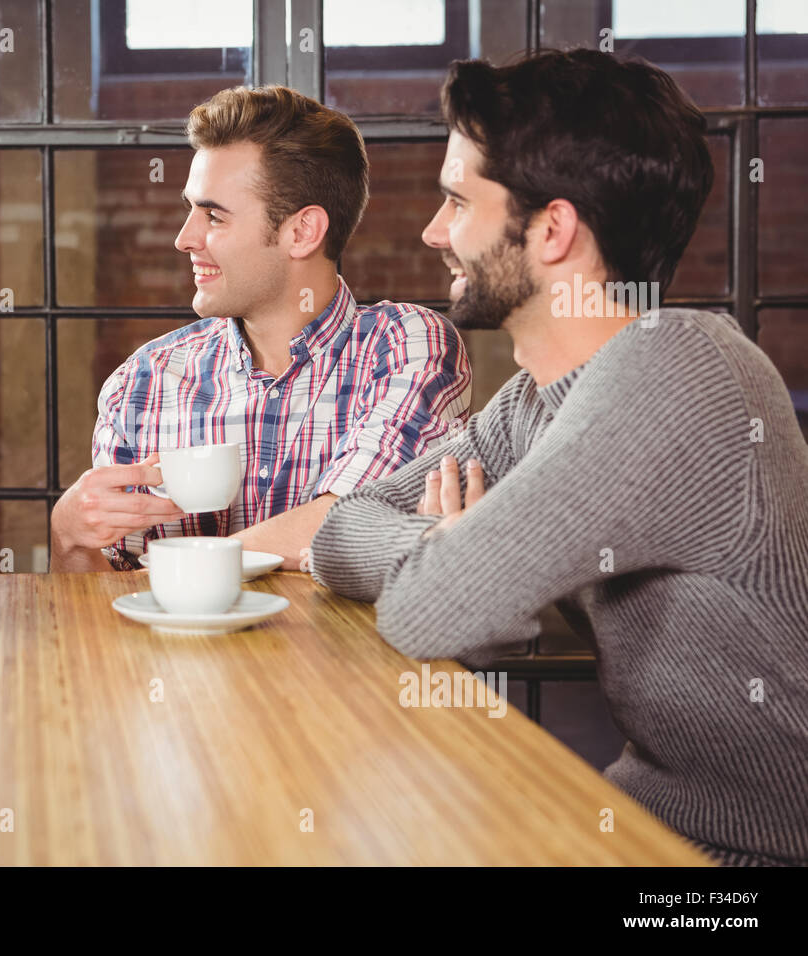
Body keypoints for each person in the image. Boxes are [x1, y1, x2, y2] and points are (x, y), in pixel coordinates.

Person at [308, 49, 808, 866]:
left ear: (553, 229)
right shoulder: (535, 403)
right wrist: (441, 550)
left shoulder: (678, 365)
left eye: (457, 200)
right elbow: (342, 528)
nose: (433, 231)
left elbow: (432, 611)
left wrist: (454, 567)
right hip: (645, 835)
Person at [51, 86, 472, 572]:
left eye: (213, 215)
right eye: (190, 210)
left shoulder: (407, 347)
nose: (184, 238)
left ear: (301, 232)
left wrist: (183, 568)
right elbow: (102, 604)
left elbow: (358, 523)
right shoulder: (141, 382)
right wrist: (69, 540)